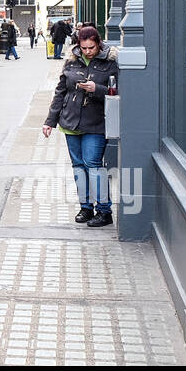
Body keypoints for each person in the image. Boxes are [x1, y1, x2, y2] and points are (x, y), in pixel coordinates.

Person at [42, 25, 121, 227]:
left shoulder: (110, 62)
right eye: (84, 48)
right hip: (71, 121)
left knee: (93, 164)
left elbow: (118, 91)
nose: (87, 52)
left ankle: (104, 210)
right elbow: (60, 92)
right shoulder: (71, 61)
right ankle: (86, 207)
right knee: (78, 166)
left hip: (96, 122)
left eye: (91, 48)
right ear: (78, 45)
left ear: (99, 44)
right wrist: (50, 121)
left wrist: (98, 89)